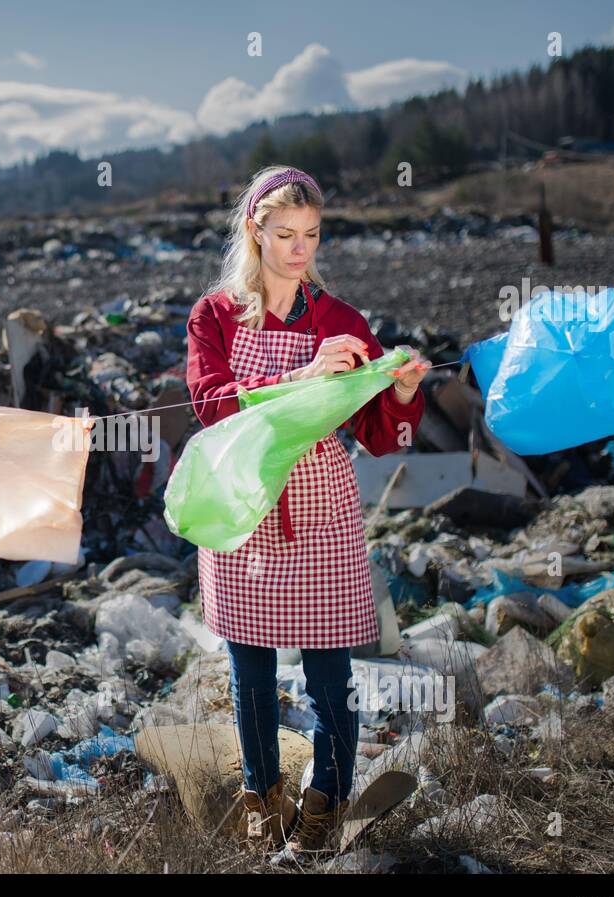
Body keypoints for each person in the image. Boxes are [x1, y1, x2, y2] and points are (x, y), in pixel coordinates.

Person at [184, 165, 428, 855]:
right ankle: (263, 808)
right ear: (254, 232)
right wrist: (302, 375)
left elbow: (384, 436)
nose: (299, 249)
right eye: (284, 234)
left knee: (329, 677)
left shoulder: (342, 320)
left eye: (312, 235)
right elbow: (211, 405)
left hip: (319, 507)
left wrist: (403, 392)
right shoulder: (216, 316)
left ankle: (321, 820)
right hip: (243, 507)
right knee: (252, 672)